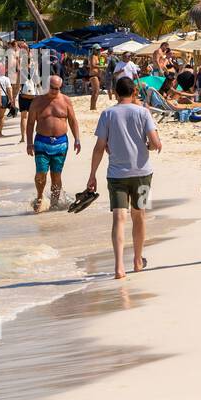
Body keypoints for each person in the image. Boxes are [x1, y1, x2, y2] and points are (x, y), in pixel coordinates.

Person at [86, 76, 161, 279]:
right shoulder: (144, 113)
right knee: (140, 215)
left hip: (117, 175)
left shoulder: (107, 114)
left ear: (116, 94)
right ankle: (137, 261)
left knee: (119, 218)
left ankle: (119, 267)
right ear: (134, 93)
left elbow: (100, 147)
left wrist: (92, 175)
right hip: (143, 174)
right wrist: (149, 147)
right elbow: (155, 142)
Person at [26, 74, 81, 212]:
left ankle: (54, 203)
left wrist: (77, 139)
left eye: (57, 88)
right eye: (52, 88)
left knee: (56, 175)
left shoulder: (66, 101)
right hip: (41, 142)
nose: (54, 91)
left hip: (61, 142)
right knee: (41, 173)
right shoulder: (37, 102)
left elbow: (73, 120)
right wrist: (28, 143)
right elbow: (30, 123)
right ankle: (39, 197)